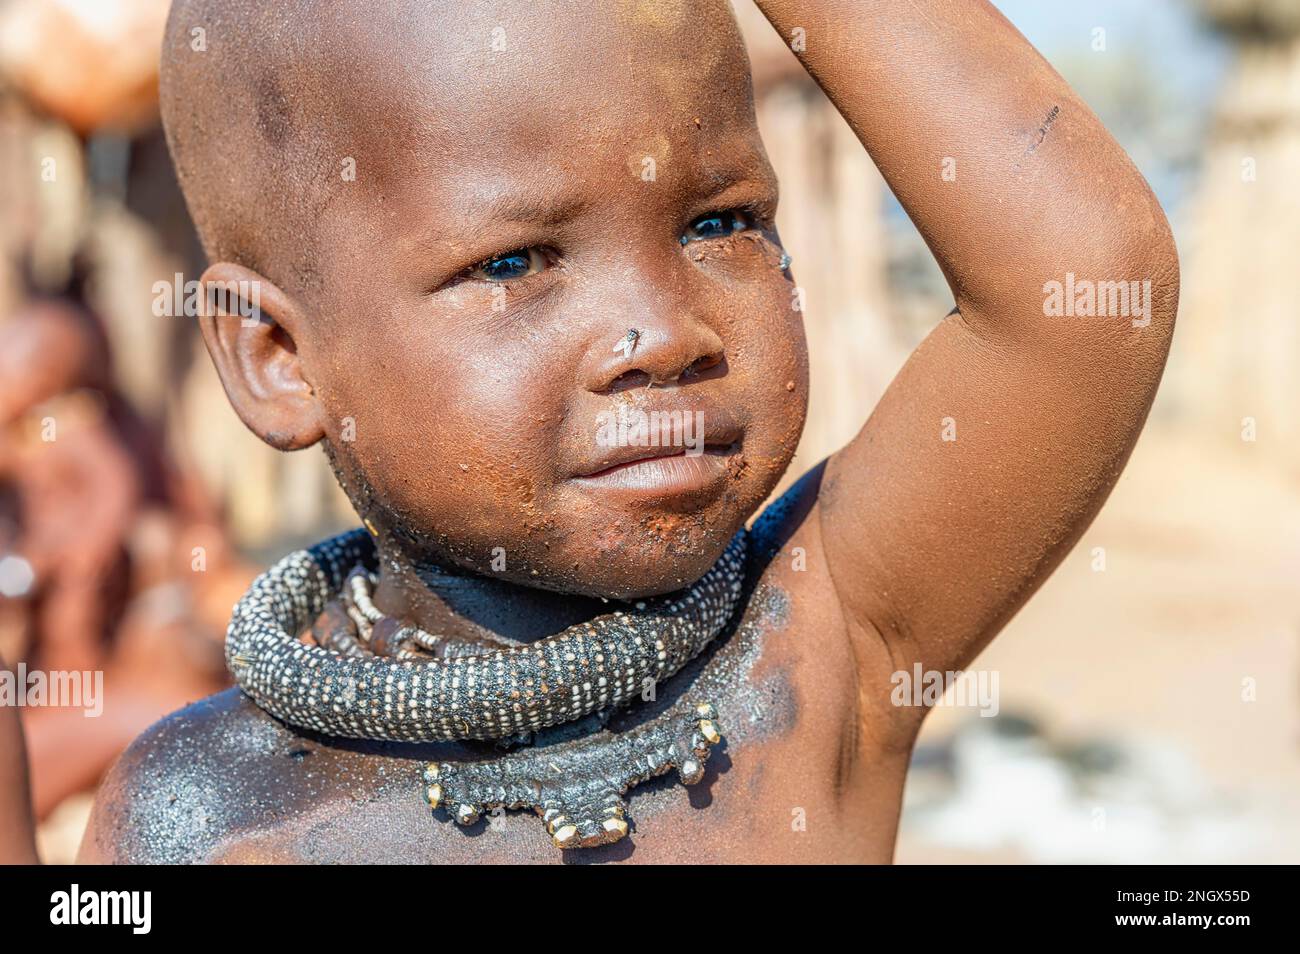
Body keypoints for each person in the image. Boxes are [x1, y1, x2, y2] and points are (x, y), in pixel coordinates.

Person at [65, 0, 1175, 863]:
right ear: (278, 360)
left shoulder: (825, 637)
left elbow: (1081, 283)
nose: (666, 332)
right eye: (513, 262)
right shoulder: (213, 817)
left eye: (720, 221)